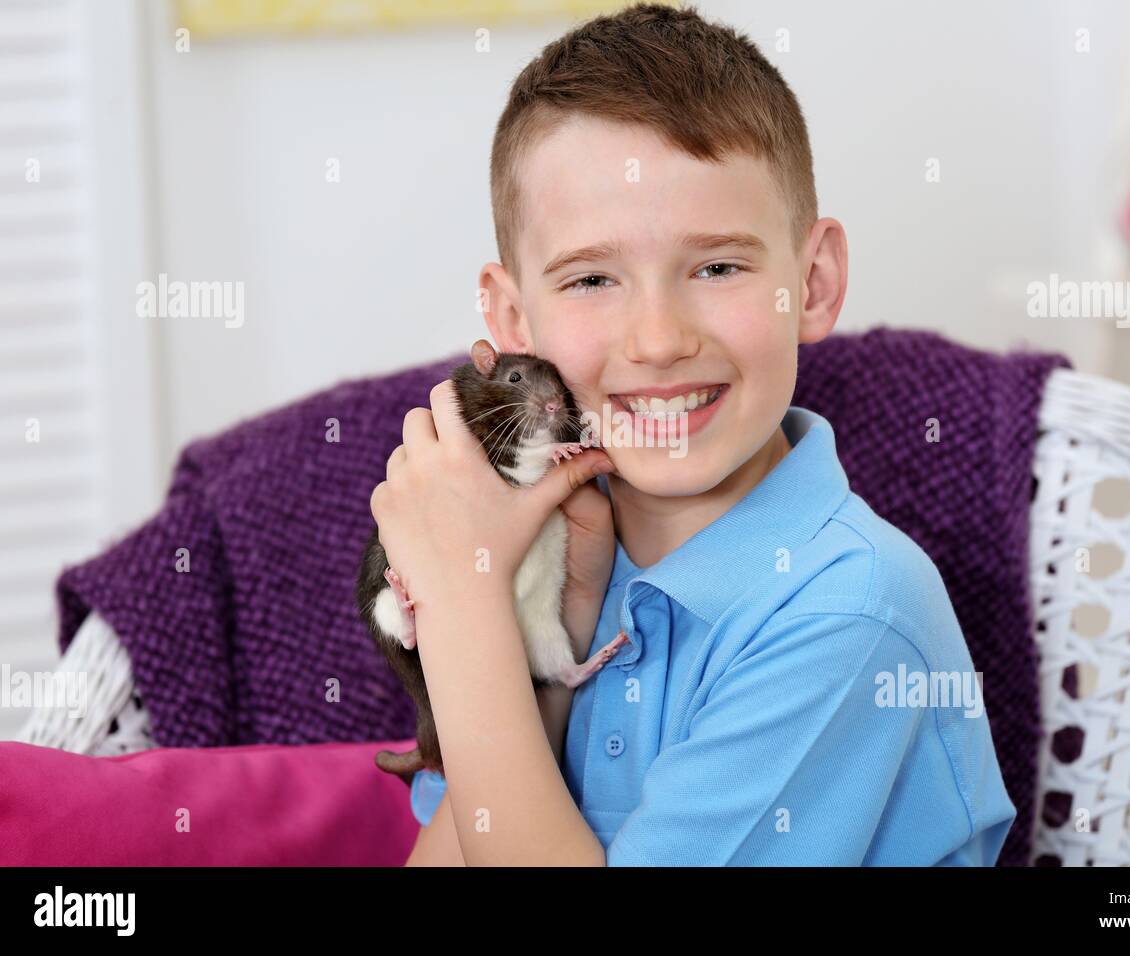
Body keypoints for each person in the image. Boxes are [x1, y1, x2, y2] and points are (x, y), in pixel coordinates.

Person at [372, 2, 1016, 866]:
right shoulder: (563, 558)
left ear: (814, 282)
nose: (660, 338)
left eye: (717, 267)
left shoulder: (851, 615)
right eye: (594, 278)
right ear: (514, 322)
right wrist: (537, 629)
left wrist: (459, 606)